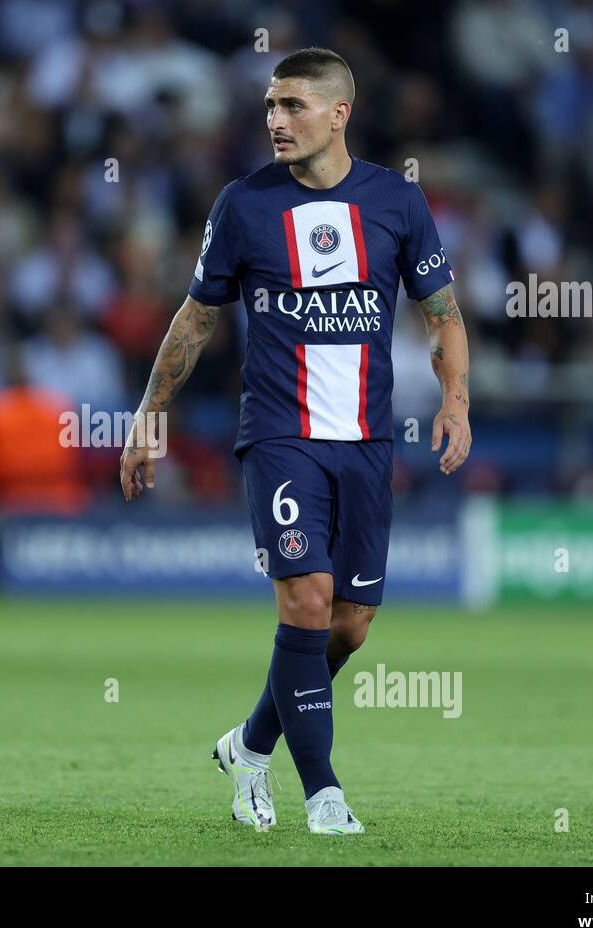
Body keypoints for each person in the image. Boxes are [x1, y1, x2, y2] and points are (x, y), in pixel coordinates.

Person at [119, 48, 472, 835]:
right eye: (270, 107)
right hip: (280, 435)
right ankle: (324, 794)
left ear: (339, 113)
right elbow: (197, 316)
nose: (276, 121)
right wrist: (149, 415)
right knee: (306, 602)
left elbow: (441, 312)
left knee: (347, 624)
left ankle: (249, 745)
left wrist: (456, 400)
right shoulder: (243, 205)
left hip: (366, 442)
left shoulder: (396, 201)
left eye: (294, 106)